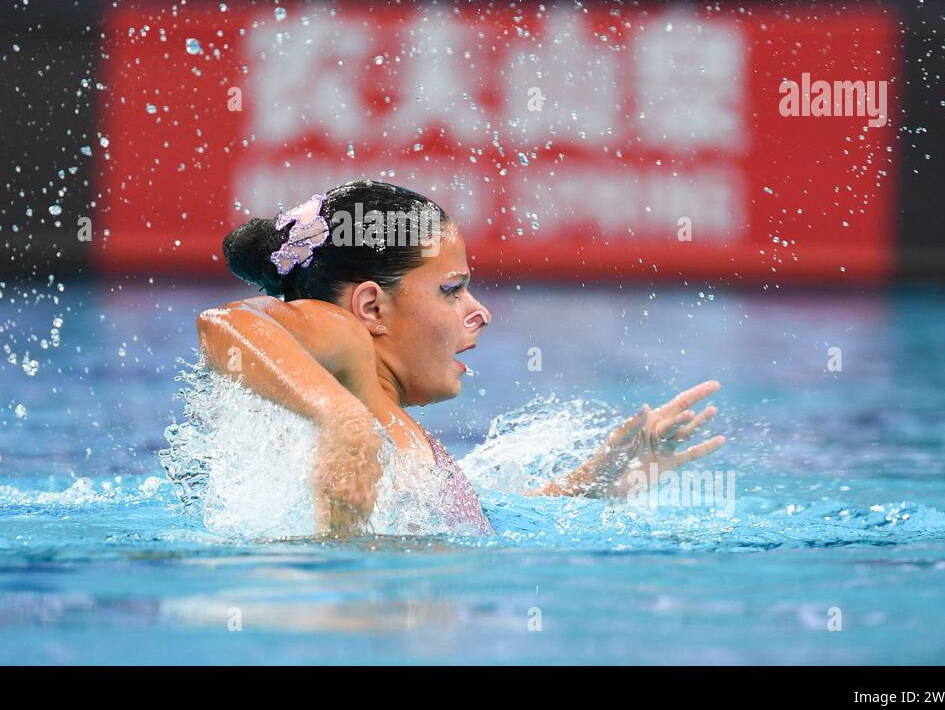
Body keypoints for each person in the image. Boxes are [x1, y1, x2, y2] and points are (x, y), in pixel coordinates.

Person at [196, 180, 725, 536]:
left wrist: (594, 484)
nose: (481, 313)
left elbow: (463, 522)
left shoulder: (394, 427)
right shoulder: (350, 357)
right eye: (452, 290)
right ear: (372, 306)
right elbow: (228, 325)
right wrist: (340, 418)